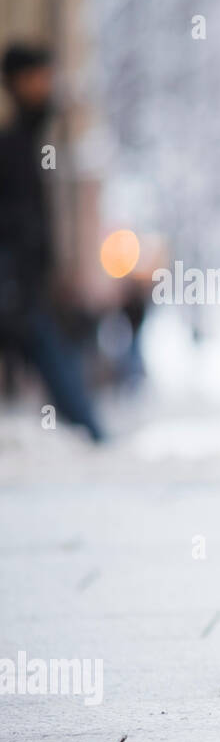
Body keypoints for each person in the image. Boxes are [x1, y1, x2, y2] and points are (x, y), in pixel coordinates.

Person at [0, 42, 104, 442]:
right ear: (19, 81)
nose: (49, 85)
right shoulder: (12, 144)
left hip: (26, 279)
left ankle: (90, 432)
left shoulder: (35, 138)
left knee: (52, 350)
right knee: (50, 351)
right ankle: (92, 434)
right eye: (40, 77)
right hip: (15, 280)